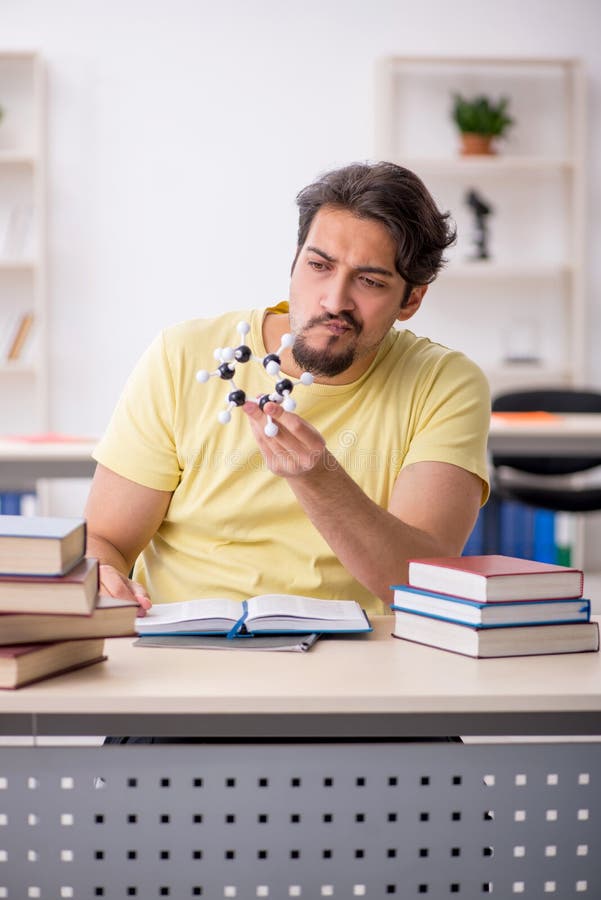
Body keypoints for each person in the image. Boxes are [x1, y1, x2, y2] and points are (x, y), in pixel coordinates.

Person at [85, 161, 490, 619]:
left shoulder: (444, 383)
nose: (334, 300)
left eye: (370, 281)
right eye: (319, 266)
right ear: (294, 261)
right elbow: (106, 539)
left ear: (412, 299)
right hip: (183, 651)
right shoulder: (183, 354)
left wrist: (318, 479)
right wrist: (101, 574)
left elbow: (423, 582)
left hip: (356, 661)